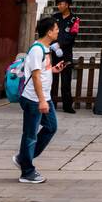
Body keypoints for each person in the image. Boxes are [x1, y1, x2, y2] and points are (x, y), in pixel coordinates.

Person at [15, 16, 63, 184]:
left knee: (51, 127)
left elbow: (42, 71)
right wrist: (42, 100)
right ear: (49, 32)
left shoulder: (46, 49)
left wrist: (53, 70)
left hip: (43, 97)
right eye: (56, 29)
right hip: (34, 98)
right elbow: (35, 76)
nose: (58, 31)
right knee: (30, 134)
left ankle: (23, 157)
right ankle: (27, 171)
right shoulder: (37, 50)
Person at [51, 0, 80, 114]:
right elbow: (49, 32)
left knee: (66, 81)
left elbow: (72, 35)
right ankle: (51, 103)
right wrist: (54, 45)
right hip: (54, 52)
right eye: (58, 4)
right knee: (52, 80)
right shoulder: (54, 18)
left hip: (66, 53)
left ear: (67, 5)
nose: (59, 6)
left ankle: (67, 105)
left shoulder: (75, 19)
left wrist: (61, 46)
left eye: (61, 4)